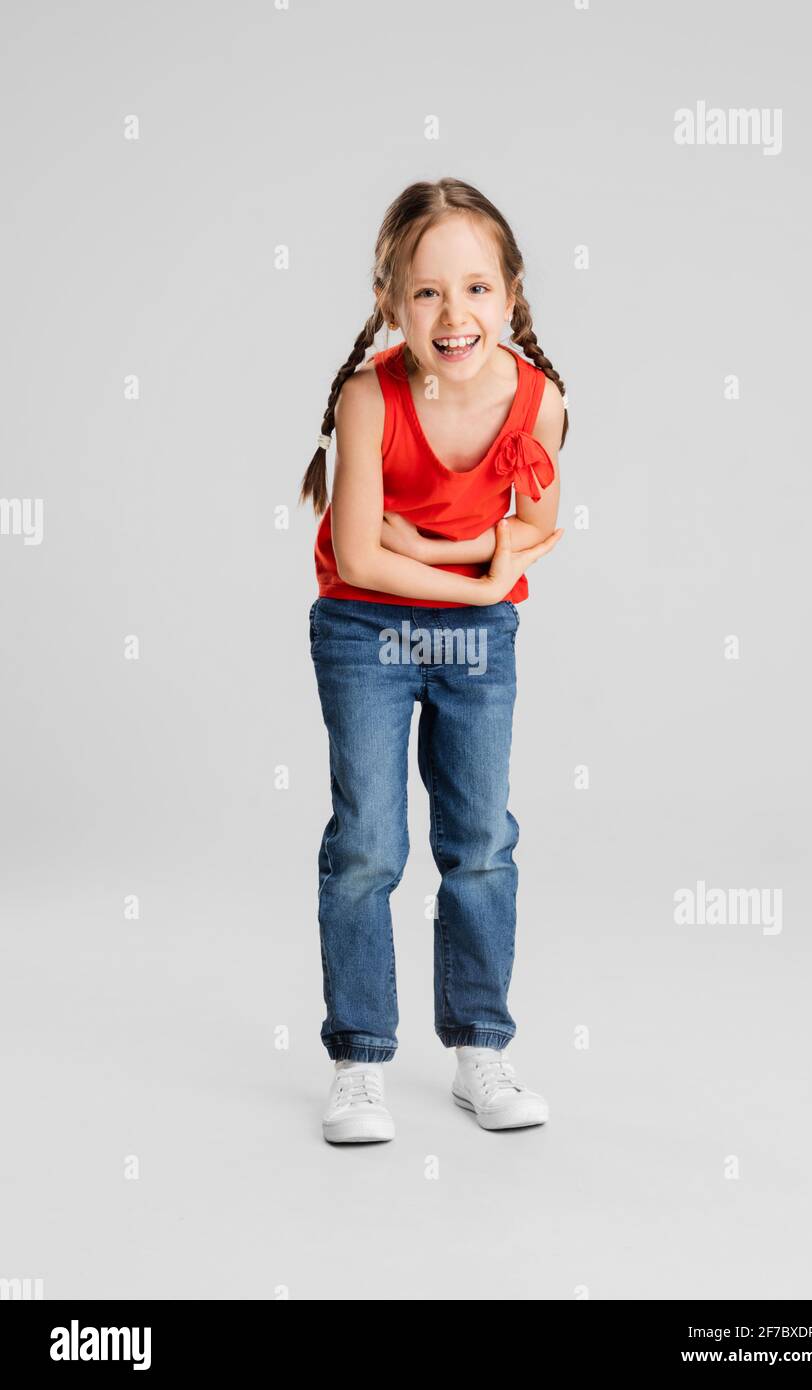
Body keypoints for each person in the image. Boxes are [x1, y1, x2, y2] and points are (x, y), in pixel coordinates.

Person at [298, 177, 567, 1143]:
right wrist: (482, 578)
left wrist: (437, 554)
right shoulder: (370, 397)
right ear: (390, 302)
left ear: (511, 291)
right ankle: (360, 1060)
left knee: (481, 841)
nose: (454, 315)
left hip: (473, 642)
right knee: (369, 843)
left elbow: (537, 528)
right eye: (426, 293)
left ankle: (480, 1051)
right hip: (365, 631)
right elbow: (362, 556)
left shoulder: (537, 402)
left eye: (476, 289)